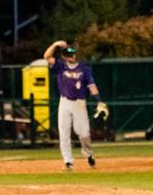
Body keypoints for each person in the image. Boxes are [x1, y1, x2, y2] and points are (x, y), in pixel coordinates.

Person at [44, 40, 107, 171]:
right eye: (68, 54)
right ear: (63, 57)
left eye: (73, 54)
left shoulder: (84, 69)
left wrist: (99, 100)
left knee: (83, 133)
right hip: (65, 102)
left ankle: (88, 154)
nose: (72, 56)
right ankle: (68, 161)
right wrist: (55, 44)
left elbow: (92, 86)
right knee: (64, 132)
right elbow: (47, 56)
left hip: (79, 103)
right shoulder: (61, 66)